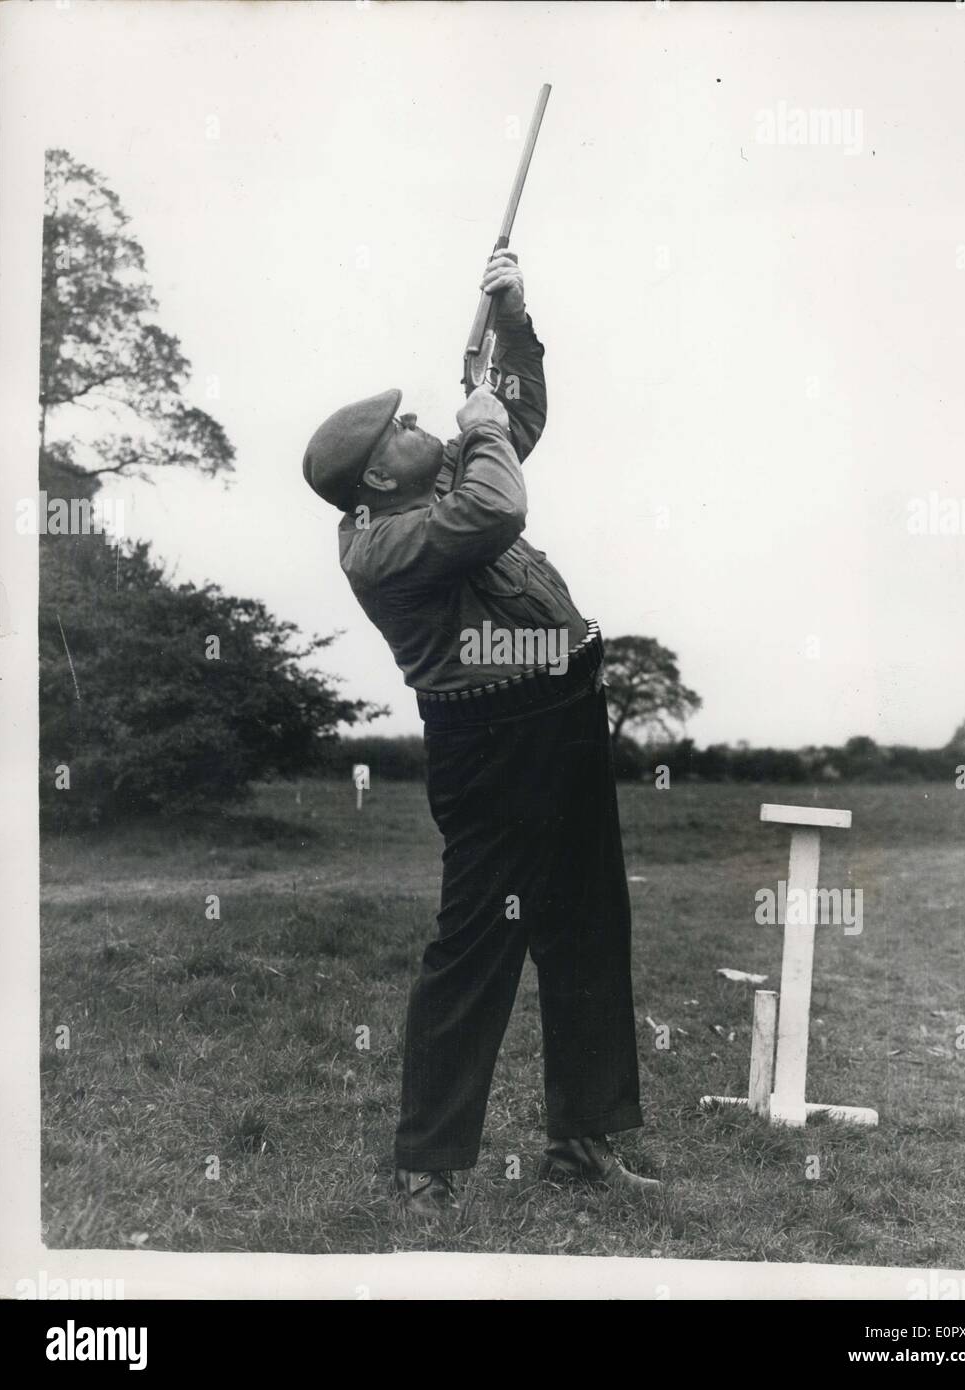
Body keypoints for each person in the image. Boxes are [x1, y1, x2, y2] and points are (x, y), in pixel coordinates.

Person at [302, 251, 659, 1216]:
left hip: (563, 718)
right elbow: (501, 493)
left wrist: (513, 318)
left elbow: (516, 421)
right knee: (477, 943)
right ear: (378, 469)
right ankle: (427, 1159)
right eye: (405, 427)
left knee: (587, 930)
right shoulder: (383, 544)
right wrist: (484, 423)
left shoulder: (434, 487)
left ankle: (582, 1143)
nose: (425, 427)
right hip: (496, 743)